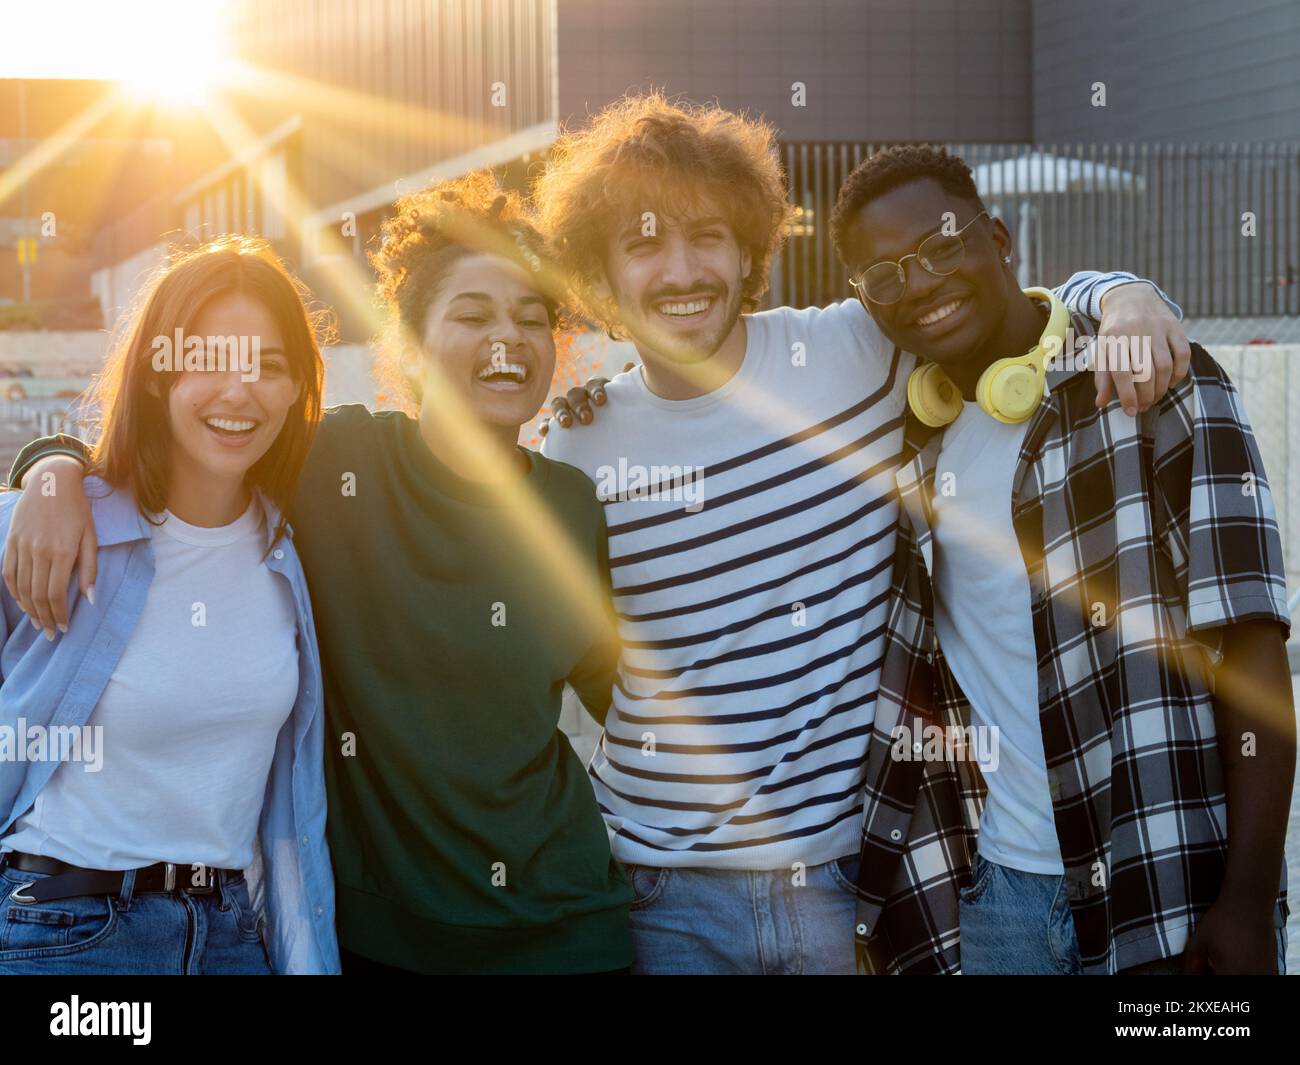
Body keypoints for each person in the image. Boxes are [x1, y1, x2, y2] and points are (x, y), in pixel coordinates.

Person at [533, 91, 1190, 974]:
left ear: (751, 251)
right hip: (660, 892)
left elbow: (1000, 299)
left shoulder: (856, 353)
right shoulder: (579, 437)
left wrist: (1119, 293)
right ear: (601, 274)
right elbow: (585, 651)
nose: (682, 270)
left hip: (847, 884)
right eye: (644, 243)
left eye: (707, 236)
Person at [3, 173, 634, 975]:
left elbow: (630, 698)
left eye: (531, 320)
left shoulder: (574, 502)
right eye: (471, 315)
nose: (505, 340)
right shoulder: (334, 466)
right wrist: (50, 467)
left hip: (560, 930)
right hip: (356, 939)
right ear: (406, 341)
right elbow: (179, 443)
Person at [832, 144, 1292, 975]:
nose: (924, 283)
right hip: (995, 900)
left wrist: (1249, 904)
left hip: (1165, 889)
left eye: (941, 247)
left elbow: (1255, 650)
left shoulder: (1159, 386)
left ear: (999, 239)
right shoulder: (912, 445)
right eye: (888, 276)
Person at [0, 236, 338, 974]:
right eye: (209, 359)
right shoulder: (61, 521)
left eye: (268, 366)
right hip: (69, 931)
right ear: (157, 372)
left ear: (294, 390)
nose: (238, 391)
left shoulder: (297, 540)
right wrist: (51, 468)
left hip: (230, 937)